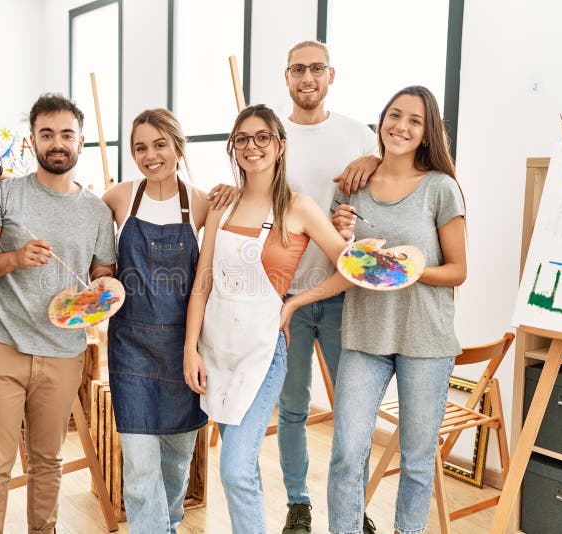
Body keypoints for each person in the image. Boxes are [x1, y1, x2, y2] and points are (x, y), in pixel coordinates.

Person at [183, 104, 355, 534]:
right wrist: (190, 348)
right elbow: (202, 283)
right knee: (244, 470)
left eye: (263, 137)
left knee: (235, 467)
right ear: (232, 148)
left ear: (280, 146)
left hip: (263, 353)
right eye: (242, 139)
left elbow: (349, 270)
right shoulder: (222, 205)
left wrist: (296, 303)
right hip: (216, 351)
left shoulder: (299, 208)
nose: (252, 146)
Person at [0, 93, 117, 533]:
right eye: (47, 134)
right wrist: (14, 259)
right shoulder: (5, 193)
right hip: (0, 347)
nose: (57, 143)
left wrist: (103, 291)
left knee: (48, 462)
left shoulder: (97, 211)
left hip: (63, 352)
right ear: (32, 141)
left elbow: (102, 274)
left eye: (66, 134)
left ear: (81, 142)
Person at [327, 85, 467, 534]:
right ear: (381, 120)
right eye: (395, 115)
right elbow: (347, 260)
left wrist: (406, 267)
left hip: (425, 339)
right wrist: (342, 234)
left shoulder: (440, 188)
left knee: (418, 458)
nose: (401, 127)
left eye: (414, 121)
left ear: (427, 134)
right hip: (365, 334)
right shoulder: (355, 186)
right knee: (347, 451)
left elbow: (458, 271)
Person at [101, 108, 234, 534]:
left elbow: (210, 275)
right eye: (140, 147)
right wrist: (101, 281)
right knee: (139, 463)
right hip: (131, 348)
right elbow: (98, 260)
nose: (150, 155)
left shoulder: (200, 203)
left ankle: (170, 523)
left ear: (178, 147)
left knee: (176, 458)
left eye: (159, 144)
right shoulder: (119, 198)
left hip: (185, 350)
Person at [277, 40, 380, 534]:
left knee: (352, 412)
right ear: (287, 76)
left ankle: (350, 506)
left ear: (331, 75)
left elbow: (387, 198)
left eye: (317, 69)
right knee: (293, 407)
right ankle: (299, 505)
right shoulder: (274, 136)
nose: (308, 78)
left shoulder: (360, 135)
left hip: (345, 294)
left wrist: (374, 166)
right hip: (290, 296)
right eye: (299, 70)